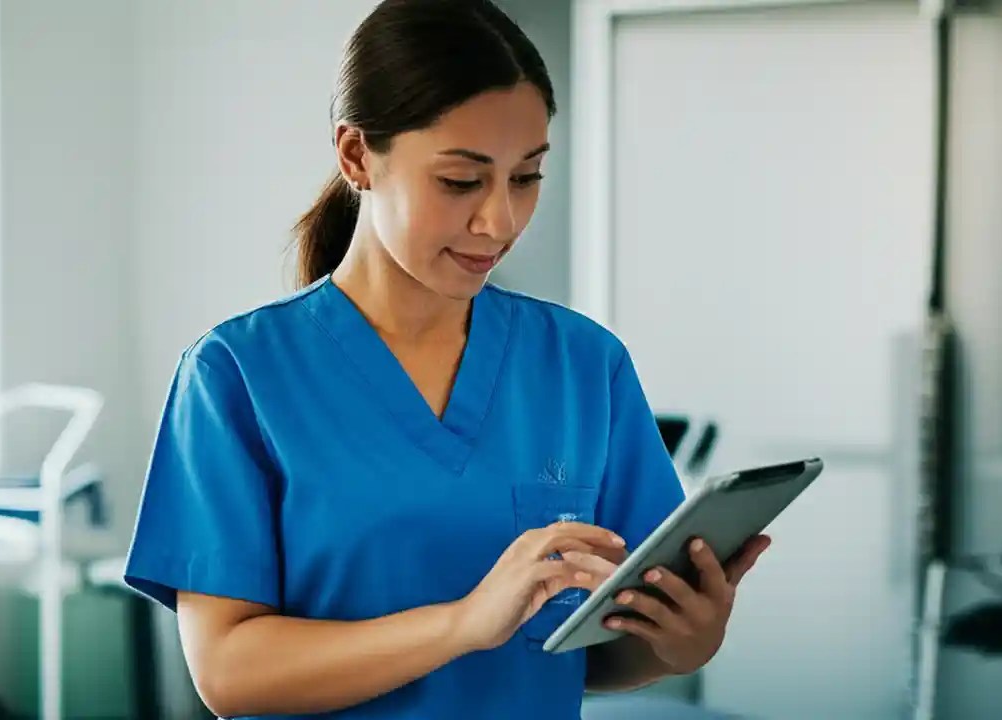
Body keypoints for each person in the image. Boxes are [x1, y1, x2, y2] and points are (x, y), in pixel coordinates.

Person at [123, 1, 771, 718]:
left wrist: (684, 641)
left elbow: (594, 650)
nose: (500, 221)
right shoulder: (236, 375)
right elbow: (228, 670)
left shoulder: (586, 366)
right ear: (355, 155)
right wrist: (463, 623)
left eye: (526, 177)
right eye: (461, 181)